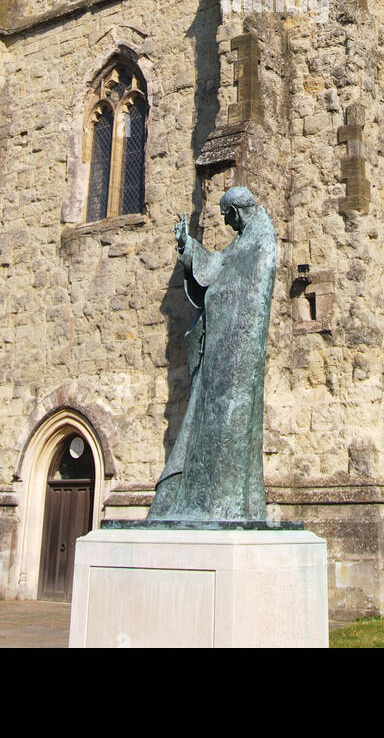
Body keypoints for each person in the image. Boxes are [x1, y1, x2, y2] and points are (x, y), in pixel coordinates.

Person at [147, 186, 277, 525]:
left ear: (237, 210)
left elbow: (248, 290)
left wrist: (217, 300)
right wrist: (188, 247)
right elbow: (219, 267)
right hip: (221, 349)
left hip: (235, 353)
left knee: (227, 427)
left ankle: (223, 505)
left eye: (227, 217)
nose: (227, 224)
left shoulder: (261, 239)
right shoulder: (243, 240)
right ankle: (199, 502)